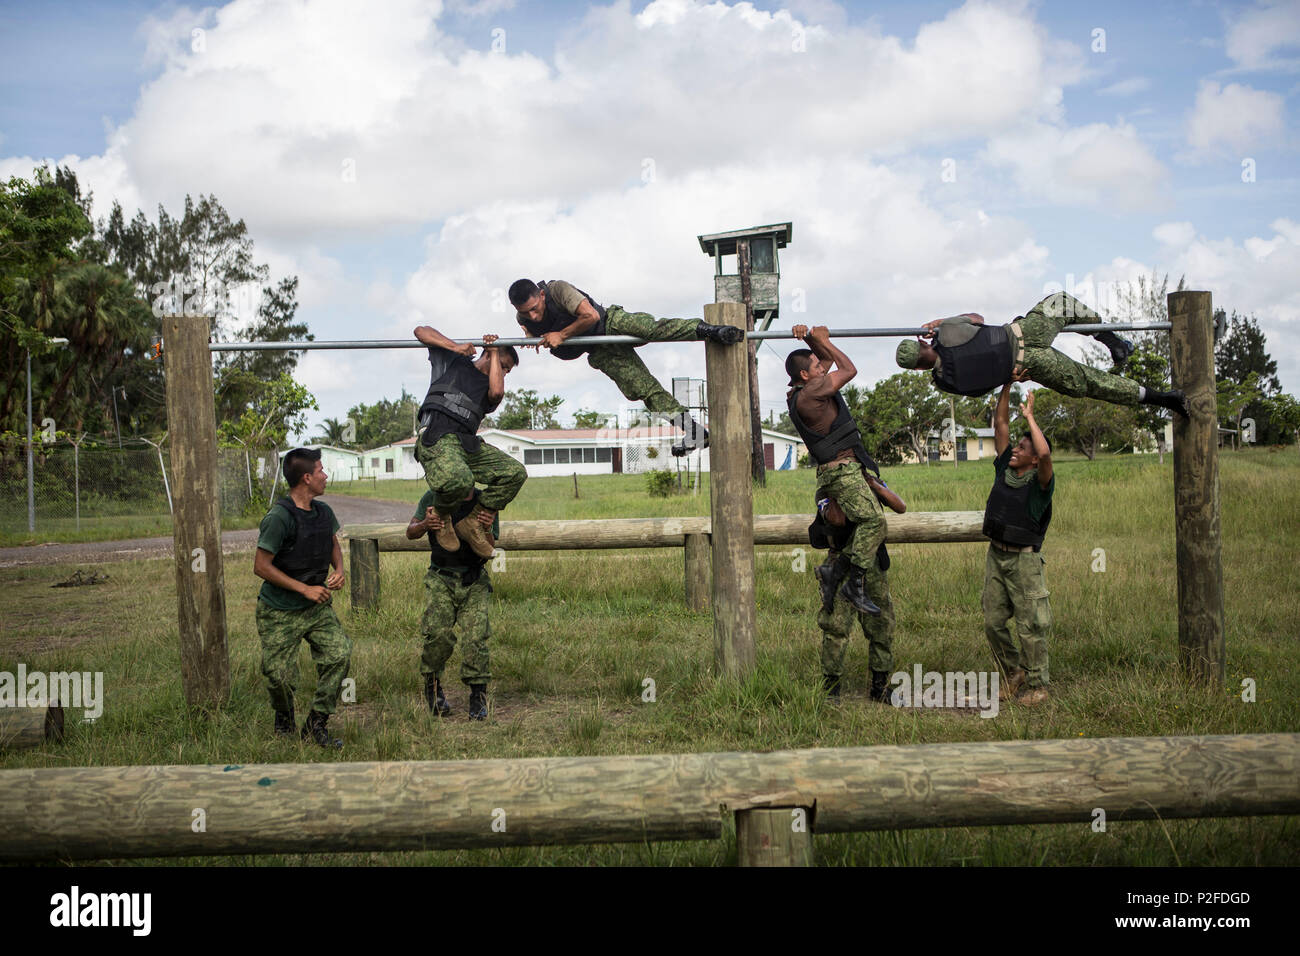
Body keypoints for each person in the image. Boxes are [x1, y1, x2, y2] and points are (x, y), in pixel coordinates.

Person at [507, 278, 745, 455]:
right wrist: (530, 337)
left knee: (650, 328)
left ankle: (712, 331)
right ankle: (694, 432)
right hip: (600, 349)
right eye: (525, 312)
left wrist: (561, 334)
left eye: (535, 308)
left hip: (609, 324)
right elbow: (529, 331)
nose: (533, 316)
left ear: (541, 294)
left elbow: (590, 316)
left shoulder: (558, 290)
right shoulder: (523, 318)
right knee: (644, 389)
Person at [894, 291, 1188, 418]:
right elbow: (977, 317)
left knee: (1091, 383)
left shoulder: (944, 382)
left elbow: (981, 388)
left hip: (1026, 366)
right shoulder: (946, 332)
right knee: (1062, 303)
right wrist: (939, 322)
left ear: (918, 369)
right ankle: (1113, 342)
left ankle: (1164, 399)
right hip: (1024, 333)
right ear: (923, 342)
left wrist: (1009, 378)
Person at [252, 447, 352, 747]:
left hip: (316, 609)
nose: (325, 476)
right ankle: (284, 717)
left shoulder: (324, 513)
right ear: (306, 478)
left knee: (339, 655)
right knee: (279, 676)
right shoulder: (279, 517)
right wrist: (304, 588)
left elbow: (331, 542)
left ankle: (316, 723)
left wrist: (340, 568)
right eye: (321, 470)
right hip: (279, 610)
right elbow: (261, 566)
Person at [785, 325, 886, 618]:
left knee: (864, 525)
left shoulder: (802, 390)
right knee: (874, 523)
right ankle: (852, 584)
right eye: (815, 366)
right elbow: (848, 368)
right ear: (805, 375)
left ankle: (834, 572)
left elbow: (826, 362)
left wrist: (810, 339)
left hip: (839, 470)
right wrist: (824, 341)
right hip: (842, 472)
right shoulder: (814, 389)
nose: (821, 366)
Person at [413, 325, 525, 560]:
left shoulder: (491, 390)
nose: (503, 372)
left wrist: (494, 351)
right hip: (436, 438)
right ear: (484, 355)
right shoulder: (453, 362)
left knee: (515, 473)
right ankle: (443, 517)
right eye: (503, 366)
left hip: (465, 446)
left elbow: (496, 392)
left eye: (505, 370)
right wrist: (455, 346)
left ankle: (473, 521)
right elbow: (420, 331)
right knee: (461, 480)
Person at [982, 383, 1054, 706]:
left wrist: (1030, 417)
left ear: (1034, 459)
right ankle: (1013, 672)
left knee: (1031, 625)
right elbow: (1000, 425)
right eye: (1017, 445)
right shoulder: (1003, 470)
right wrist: (1007, 385)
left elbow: (1046, 453)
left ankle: (1038, 686)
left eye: (1023, 448)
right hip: (996, 555)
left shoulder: (1040, 486)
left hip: (1024, 563)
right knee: (993, 622)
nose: (1015, 449)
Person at [810, 476, 907, 701]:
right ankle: (831, 689)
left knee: (882, 625)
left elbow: (900, 506)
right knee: (836, 627)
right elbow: (838, 520)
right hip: (840, 565)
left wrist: (873, 486)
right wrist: (840, 490)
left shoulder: (869, 482)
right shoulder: (825, 491)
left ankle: (880, 686)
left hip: (872, 565)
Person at [407, 488, 498, 721]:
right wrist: (426, 523)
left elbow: (490, 546)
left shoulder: (484, 502)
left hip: (474, 579)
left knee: (476, 637)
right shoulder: (432, 497)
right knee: (438, 634)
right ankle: (433, 688)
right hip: (441, 577)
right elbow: (411, 532)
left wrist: (486, 527)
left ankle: (478, 696)